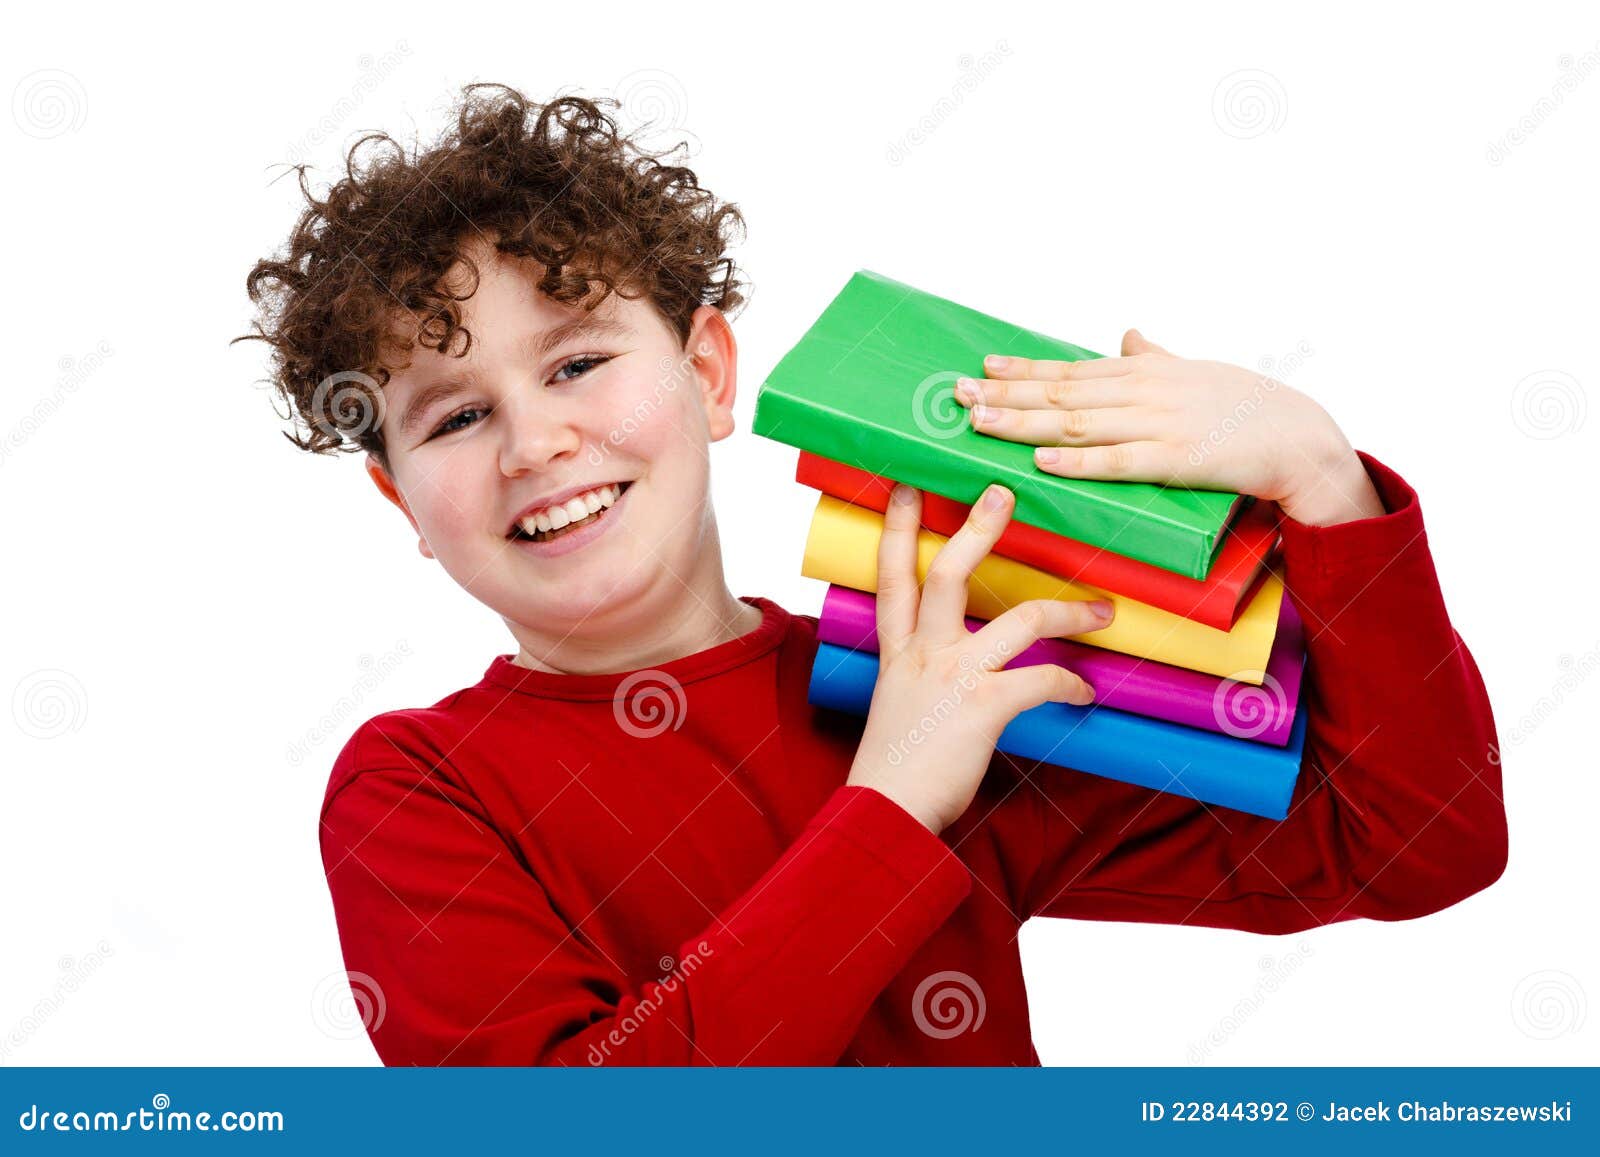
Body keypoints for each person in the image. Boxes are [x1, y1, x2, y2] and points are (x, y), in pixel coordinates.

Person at [237, 83, 1507, 1065]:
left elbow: (1412, 844)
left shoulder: (931, 668)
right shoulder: (414, 787)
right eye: (454, 418)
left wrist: (1327, 488)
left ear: (713, 373)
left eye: (576, 364)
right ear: (399, 495)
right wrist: (895, 800)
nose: (535, 441)